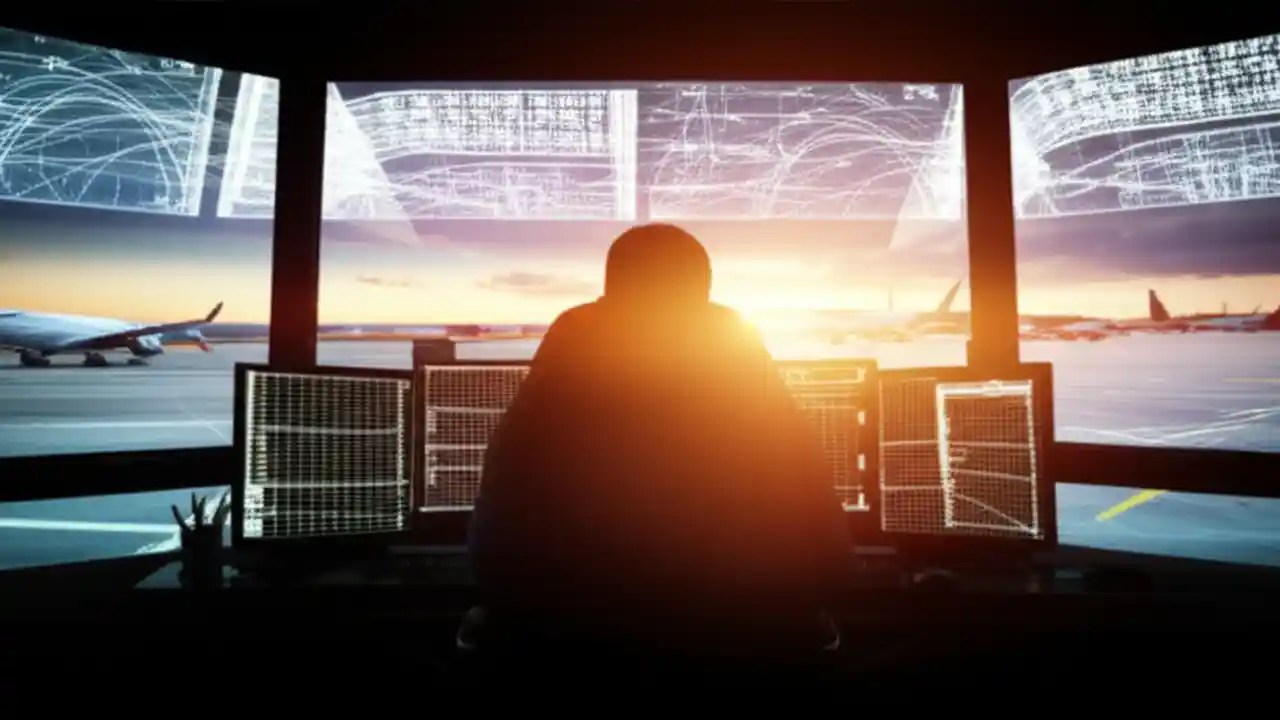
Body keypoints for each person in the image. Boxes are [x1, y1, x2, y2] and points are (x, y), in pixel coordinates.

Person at [466, 223, 848, 657]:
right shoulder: (736, 346)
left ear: (611, 285)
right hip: (746, 645)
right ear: (703, 287)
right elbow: (824, 533)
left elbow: (499, 520)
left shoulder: (572, 342)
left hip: (573, 644)